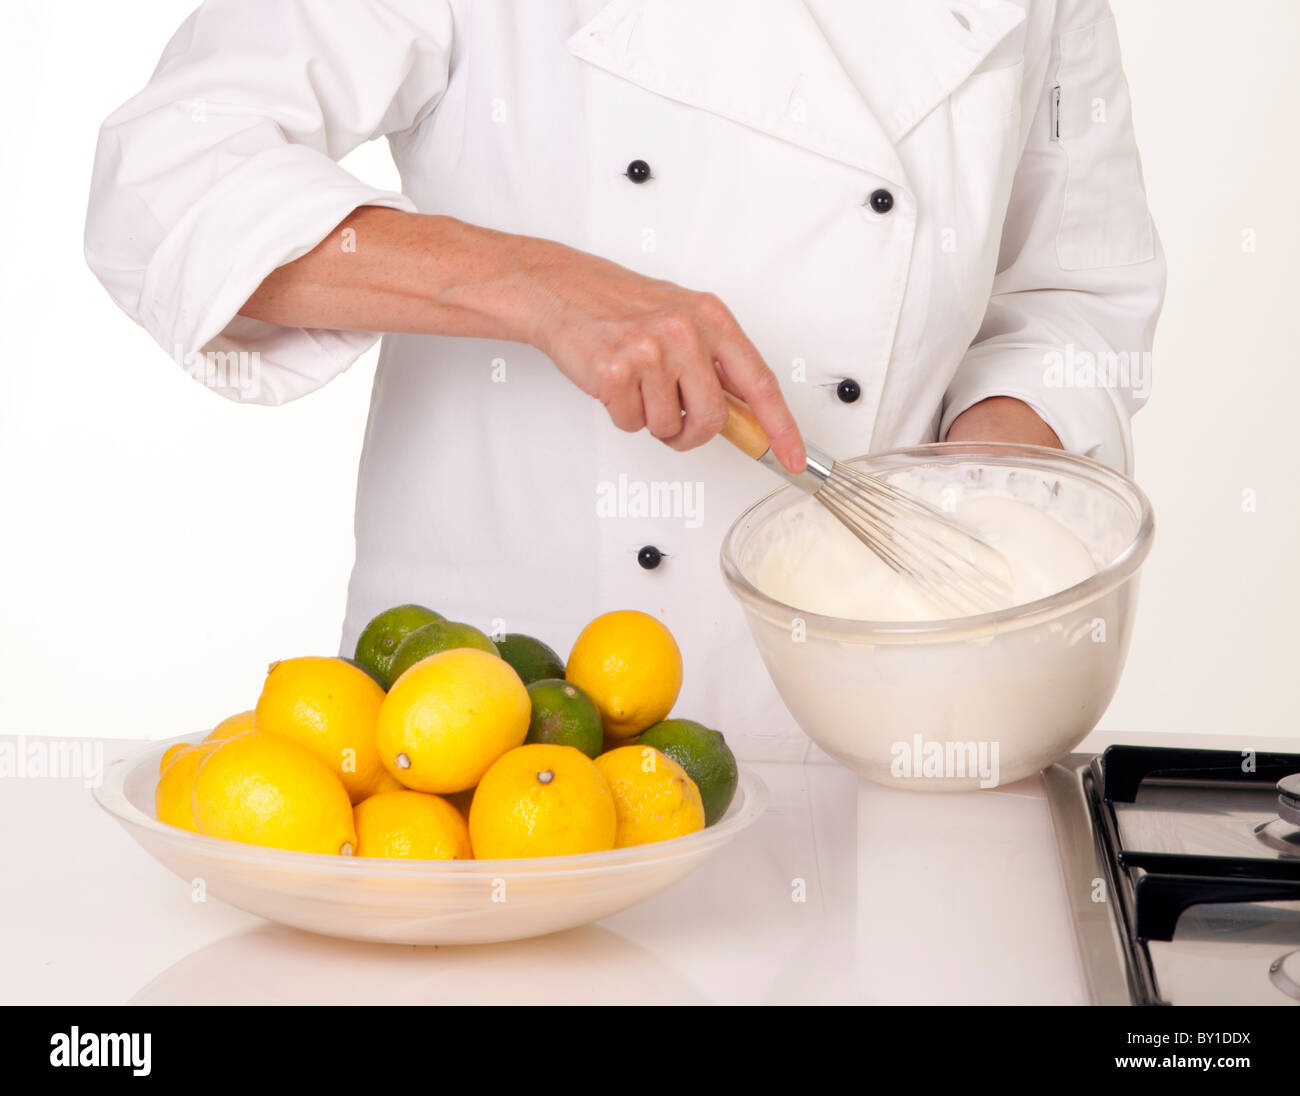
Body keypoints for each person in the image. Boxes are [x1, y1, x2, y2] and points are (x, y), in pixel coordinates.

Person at [85, 0, 1164, 760]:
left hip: (887, 729)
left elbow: (1075, 291)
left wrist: (983, 491)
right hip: (505, 731)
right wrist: (533, 282)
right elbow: (166, 179)